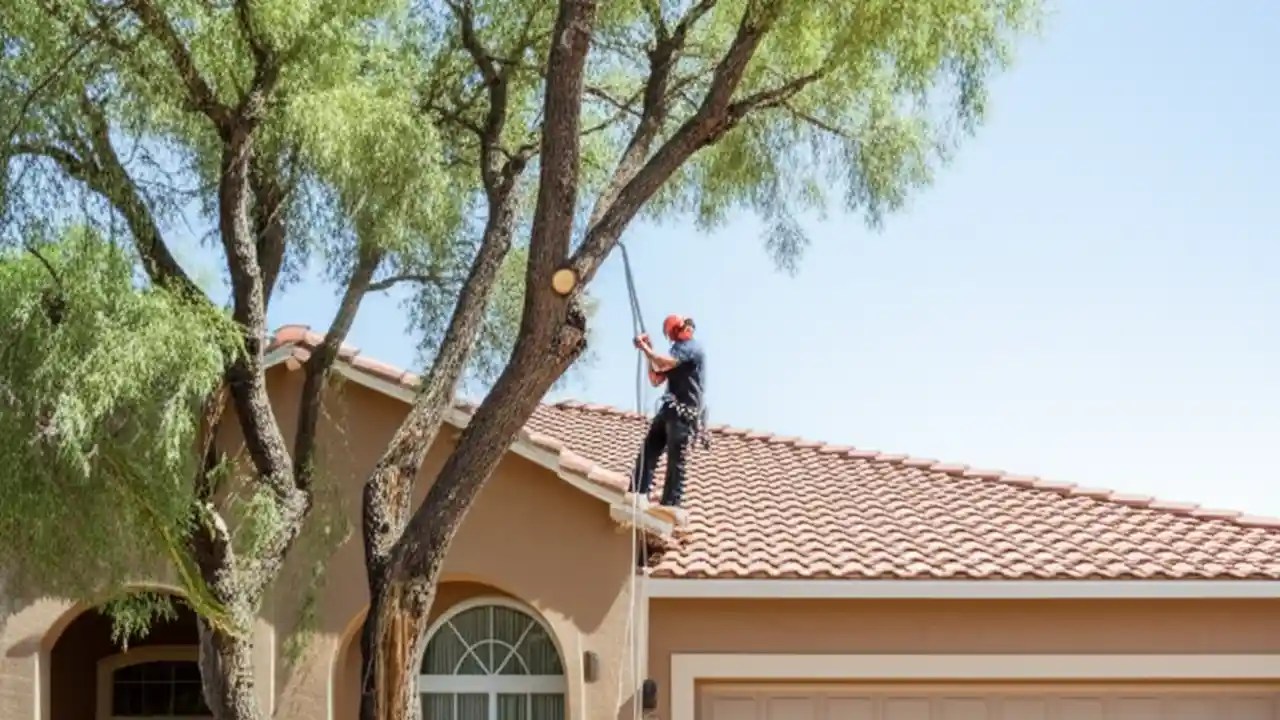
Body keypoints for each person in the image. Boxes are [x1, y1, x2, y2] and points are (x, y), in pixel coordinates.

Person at [629, 314, 707, 508]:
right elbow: (656, 378)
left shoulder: (692, 348)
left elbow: (663, 363)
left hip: (684, 413)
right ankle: (638, 492)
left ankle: (671, 503)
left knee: (675, 460)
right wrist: (648, 351)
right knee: (649, 450)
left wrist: (646, 348)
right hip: (669, 410)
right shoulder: (677, 350)